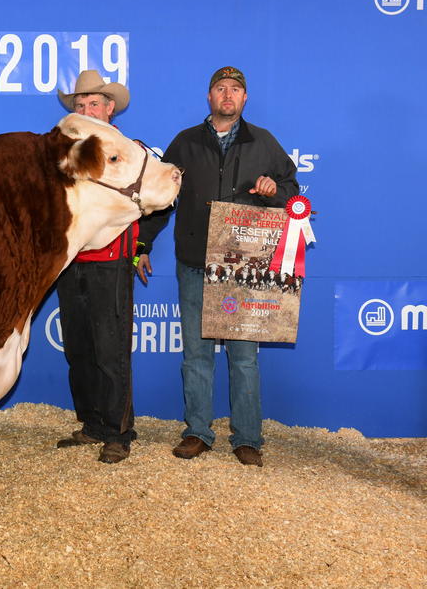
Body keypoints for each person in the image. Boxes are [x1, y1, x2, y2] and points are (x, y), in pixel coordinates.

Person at [136, 66, 298, 467]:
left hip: (243, 269)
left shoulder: (264, 142)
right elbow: (162, 197)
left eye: (235, 89)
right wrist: (142, 244)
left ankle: (248, 437)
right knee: (196, 355)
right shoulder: (185, 142)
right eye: (221, 88)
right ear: (209, 97)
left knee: (244, 358)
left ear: (245, 98)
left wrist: (274, 191)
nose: (228, 95)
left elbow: (291, 189)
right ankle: (197, 432)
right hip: (195, 262)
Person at [53, 70, 138, 464]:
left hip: (111, 260)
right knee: (79, 348)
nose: (86, 111)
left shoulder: (129, 152)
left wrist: (141, 246)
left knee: (110, 350)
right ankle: (92, 423)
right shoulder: (66, 157)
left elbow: (156, 198)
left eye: (93, 104)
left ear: (109, 109)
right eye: (80, 105)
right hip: (71, 261)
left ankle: (119, 432)